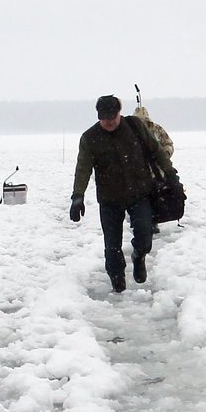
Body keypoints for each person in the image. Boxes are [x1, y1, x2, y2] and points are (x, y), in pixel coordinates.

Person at [71, 93, 170, 292]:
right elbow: (83, 168)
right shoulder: (90, 138)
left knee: (145, 234)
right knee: (112, 247)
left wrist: (170, 173)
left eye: (113, 117)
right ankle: (117, 283)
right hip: (110, 199)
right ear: (98, 116)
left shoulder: (135, 126)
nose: (109, 122)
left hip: (139, 193)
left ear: (119, 113)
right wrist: (77, 196)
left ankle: (139, 256)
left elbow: (157, 151)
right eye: (104, 118)